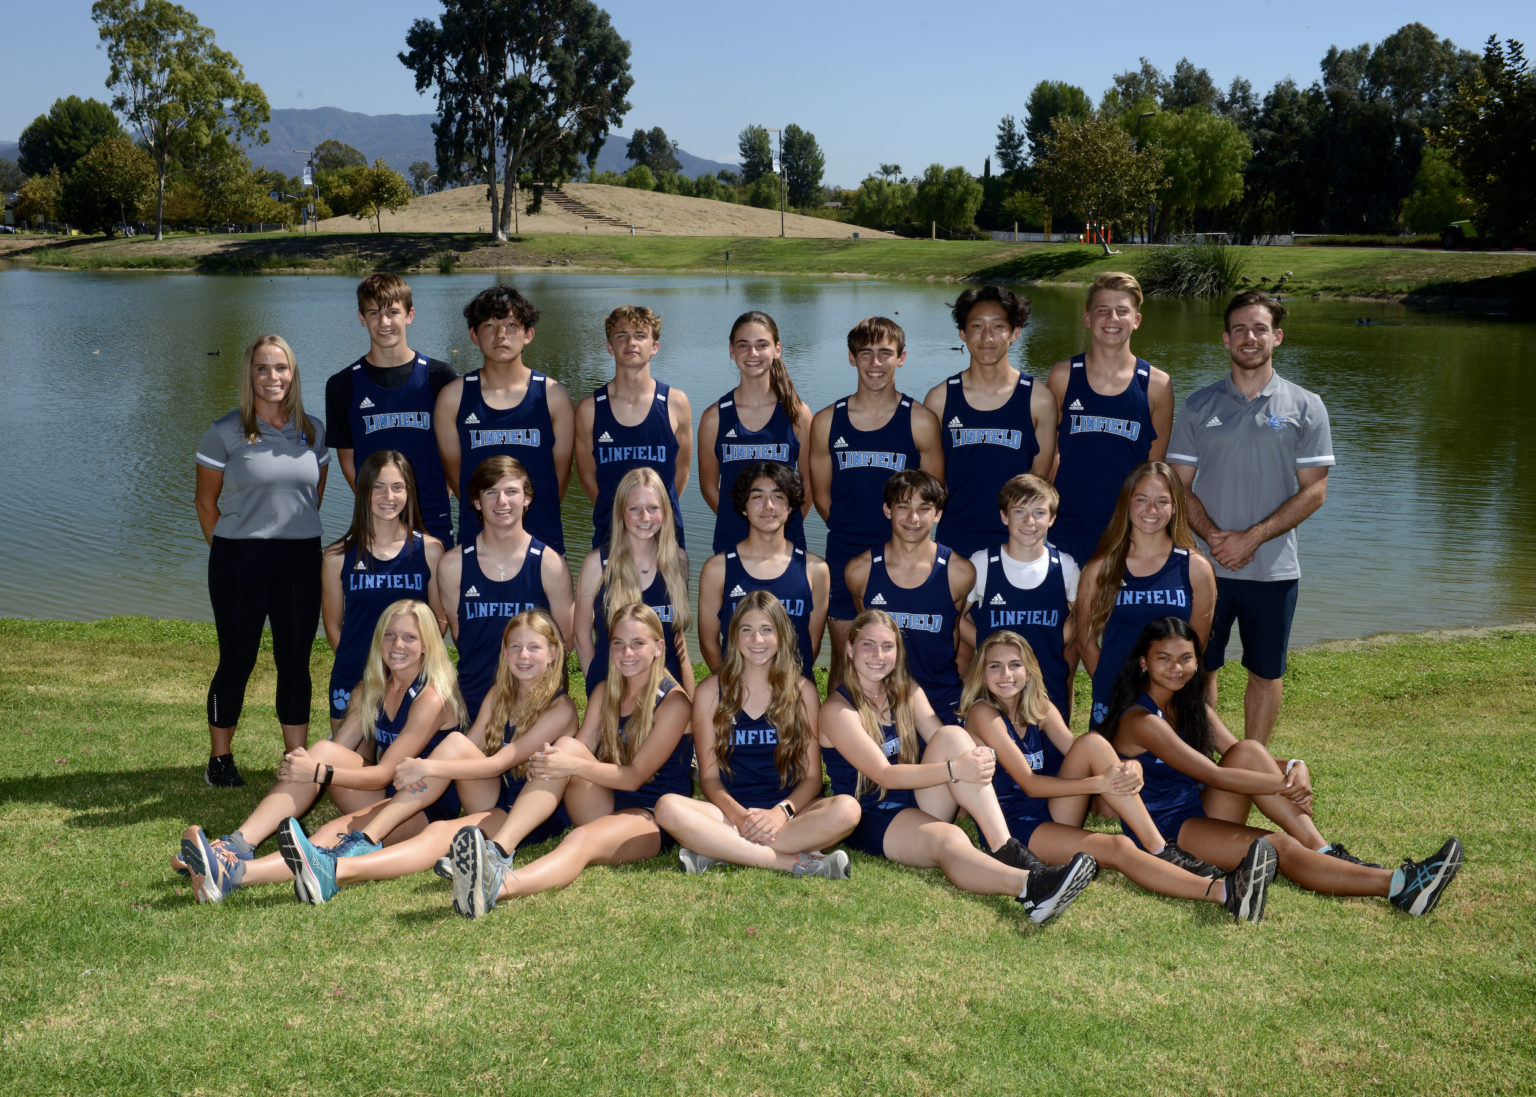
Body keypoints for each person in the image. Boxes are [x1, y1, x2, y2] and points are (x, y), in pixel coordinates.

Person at [1104, 617, 1463, 918]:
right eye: (1163, 658)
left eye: (1185, 658)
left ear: (1198, 663)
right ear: (1143, 662)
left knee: (1248, 749)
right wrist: (1281, 785)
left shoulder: (1193, 707)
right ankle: (1400, 886)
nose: (1176, 668)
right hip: (1168, 831)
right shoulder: (1141, 720)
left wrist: (1294, 765)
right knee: (1277, 847)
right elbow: (1211, 774)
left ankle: (1324, 852)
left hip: (1200, 810)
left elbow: (1238, 754)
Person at [960, 631, 1274, 923]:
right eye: (995, 667)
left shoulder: (1038, 707)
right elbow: (1028, 782)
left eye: (1014, 665)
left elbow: (1082, 753)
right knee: (1118, 848)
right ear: (982, 673)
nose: (1006, 675)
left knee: (1093, 742)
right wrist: (1098, 784)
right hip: (1015, 828)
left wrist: (1129, 766)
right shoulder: (983, 713)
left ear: (1028, 669)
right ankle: (1224, 893)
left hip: (1046, 811)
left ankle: (1160, 849)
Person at [272, 610, 578, 904]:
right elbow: (466, 752)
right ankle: (362, 841)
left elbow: (500, 762)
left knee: (439, 833)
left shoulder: (560, 709)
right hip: (493, 796)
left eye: (534, 648)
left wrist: (427, 765)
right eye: (516, 647)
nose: (523, 655)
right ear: (504, 651)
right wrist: (431, 772)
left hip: (528, 812)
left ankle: (341, 868)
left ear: (554, 653)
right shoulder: (499, 694)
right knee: (456, 746)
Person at [818, 610, 1098, 925]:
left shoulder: (906, 690)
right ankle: (1031, 888)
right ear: (850, 649)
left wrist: (969, 758)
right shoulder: (837, 711)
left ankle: (1005, 848)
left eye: (887, 646)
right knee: (949, 840)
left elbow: (944, 740)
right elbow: (884, 775)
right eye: (869, 645)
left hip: (916, 798)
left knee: (952, 735)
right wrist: (955, 770)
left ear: (898, 652)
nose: (878, 656)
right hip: (873, 814)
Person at [177, 600, 465, 903]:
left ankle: (233, 875)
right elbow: (335, 751)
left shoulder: (432, 698)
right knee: (322, 749)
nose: (397, 645)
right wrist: (301, 771)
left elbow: (382, 775)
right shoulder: (373, 688)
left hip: (422, 806)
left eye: (409, 637)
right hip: (390, 792)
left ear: (426, 647)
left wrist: (316, 772)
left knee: (333, 830)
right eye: (390, 635)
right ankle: (237, 844)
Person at [449, 603, 694, 918]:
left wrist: (572, 765)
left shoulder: (674, 704)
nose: (626, 652)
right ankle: (499, 850)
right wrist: (560, 761)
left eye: (638, 643)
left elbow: (634, 777)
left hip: (650, 817)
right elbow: (580, 748)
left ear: (659, 647)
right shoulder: (606, 691)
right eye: (618, 643)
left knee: (580, 840)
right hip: (603, 801)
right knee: (564, 747)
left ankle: (497, 886)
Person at [1167, 291, 1335, 744]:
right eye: (1239, 329)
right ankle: (1205, 760)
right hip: (1205, 568)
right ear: (1225, 339)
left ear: (1276, 337)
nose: (1249, 337)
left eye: (1260, 328)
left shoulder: (1306, 406)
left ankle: (1253, 762)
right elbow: (1177, 485)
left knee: (1265, 671)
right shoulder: (1199, 405)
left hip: (1274, 569)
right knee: (1201, 668)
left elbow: (1315, 490)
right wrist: (1216, 538)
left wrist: (1252, 539)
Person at [194, 334, 329, 786]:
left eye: (281, 368)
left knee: (295, 659)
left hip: (300, 558)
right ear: (249, 376)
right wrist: (233, 551)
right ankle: (220, 761)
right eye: (262, 369)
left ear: (293, 374)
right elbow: (205, 504)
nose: (273, 377)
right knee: (237, 659)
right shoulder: (223, 431)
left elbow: (313, 496)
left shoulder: (313, 430)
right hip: (240, 559)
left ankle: (296, 762)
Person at [654, 593, 860, 876]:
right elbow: (710, 779)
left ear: (781, 635)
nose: (757, 640)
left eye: (766, 630)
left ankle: (720, 851)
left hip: (791, 816)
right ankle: (799, 863)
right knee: (667, 807)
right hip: (729, 815)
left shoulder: (802, 691)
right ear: (735, 637)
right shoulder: (709, 692)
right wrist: (741, 817)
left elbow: (813, 778)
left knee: (848, 810)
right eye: (746, 630)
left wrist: (780, 813)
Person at [809, 316, 943, 692]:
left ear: (901, 358)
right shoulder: (826, 422)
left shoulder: (920, 421)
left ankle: (904, 746)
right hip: (845, 553)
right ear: (852, 358)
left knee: (903, 663)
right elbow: (822, 497)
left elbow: (933, 494)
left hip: (905, 557)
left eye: (885, 353)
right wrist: (853, 526)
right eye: (865, 353)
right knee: (845, 663)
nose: (875, 363)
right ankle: (838, 748)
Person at [1045, 272, 1173, 568]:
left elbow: (1154, 470)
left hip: (1126, 536)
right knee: (1069, 615)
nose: (1111, 318)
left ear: (1137, 320)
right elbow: (1050, 456)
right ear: (1087, 318)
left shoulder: (1157, 385)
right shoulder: (1063, 376)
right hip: (1066, 531)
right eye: (1102, 310)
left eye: (1122, 311)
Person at [1076, 461, 1215, 731]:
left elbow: (1196, 646)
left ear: (1175, 507)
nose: (1151, 510)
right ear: (1127, 503)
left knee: (1175, 771)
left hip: (1172, 698)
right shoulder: (1100, 569)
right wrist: (1110, 686)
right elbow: (1085, 639)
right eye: (1141, 500)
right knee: (1115, 772)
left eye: (1162, 501)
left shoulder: (1196, 569)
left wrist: (1171, 690)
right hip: (1115, 697)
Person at [435, 285, 574, 554]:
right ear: (474, 335)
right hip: (478, 537)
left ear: (528, 334)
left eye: (511, 324)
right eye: (489, 325)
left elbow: (560, 476)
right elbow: (457, 476)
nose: (500, 335)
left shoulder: (553, 397)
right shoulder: (453, 398)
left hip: (541, 535)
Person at [923, 285, 1056, 559]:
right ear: (962, 333)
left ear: (1015, 332)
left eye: (998, 326)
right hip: (956, 539)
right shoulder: (939, 400)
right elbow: (934, 484)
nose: (987, 337)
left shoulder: (1039, 400)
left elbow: (1040, 481)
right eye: (977, 326)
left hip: (1018, 542)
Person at [438, 456, 575, 722]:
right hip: (473, 701)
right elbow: (461, 635)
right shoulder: (453, 565)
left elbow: (563, 642)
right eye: (491, 492)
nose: (502, 502)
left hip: (534, 707)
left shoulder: (550, 564)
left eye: (511, 491)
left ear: (527, 498)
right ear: (477, 501)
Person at [326, 274, 458, 545]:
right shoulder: (342, 384)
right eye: (374, 313)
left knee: (439, 587)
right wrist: (377, 506)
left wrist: (439, 496)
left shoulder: (440, 377)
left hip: (433, 520)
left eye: (392, 312)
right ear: (362, 318)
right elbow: (348, 460)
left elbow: (454, 452)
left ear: (409, 315)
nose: (384, 322)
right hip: (376, 522)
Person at [321, 450, 446, 732]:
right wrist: (364, 668)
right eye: (378, 486)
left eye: (397, 487)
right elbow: (332, 624)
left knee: (403, 765)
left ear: (409, 492)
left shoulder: (430, 551)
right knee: (350, 766)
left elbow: (439, 620)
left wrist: (407, 665)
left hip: (411, 676)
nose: (388, 496)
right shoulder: (337, 556)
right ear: (363, 490)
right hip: (355, 674)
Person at [846, 469, 973, 722]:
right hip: (882, 697)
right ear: (887, 510)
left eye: (924, 508)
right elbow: (865, 638)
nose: (913, 517)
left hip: (941, 696)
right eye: (903, 506)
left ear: (937, 514)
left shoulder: (960, 572)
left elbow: (955, 636)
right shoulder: (860, 571)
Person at [960, 474, 1079, 718]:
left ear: (1052, 519)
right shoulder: (982, 563)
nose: (1029, 521)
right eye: (1019, 511)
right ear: (1004, 516)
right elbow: (955, 616)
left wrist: (1056, 638)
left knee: (1053, 752)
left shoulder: (1064, 566)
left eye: (1039, 513)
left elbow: (1083, 617)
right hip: (996, 690)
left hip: (1047, 689)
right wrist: (984, 641)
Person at [575, 304, 692, 549]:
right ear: (610, 347)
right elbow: (587, 475)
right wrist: (621, 516)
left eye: (640, 336)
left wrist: (651, 517)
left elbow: (681, 473)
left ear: (654, 347)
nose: (631, 343)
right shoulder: (589, 409)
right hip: (611, 536)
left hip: (665, 539)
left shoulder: (676, 403)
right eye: (622, 336)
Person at [697, 310, 813, 555]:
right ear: (732, 351)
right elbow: (709, 487)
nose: (753, 354)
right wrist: (746, 520)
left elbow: (809, 485)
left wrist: (776, 525)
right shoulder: (714, 418)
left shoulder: (798, 414)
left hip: (785, 545)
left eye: (762, 345)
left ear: (777, 349)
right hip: (732, 544)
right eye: (744, 346)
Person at [696, 462, 828, 676]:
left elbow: (810, 644)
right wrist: (734, 691)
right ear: (743, 507)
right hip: (737, 695)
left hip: (793, 694)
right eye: (757, 497)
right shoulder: (717, 569)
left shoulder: (816, 570)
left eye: (778, 496)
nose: (768, 505)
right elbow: (709, 643)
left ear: (790, 505)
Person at [575, 466, 692, 697]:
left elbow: (679, 642)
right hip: (613, 692)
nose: (645, 517)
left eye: (653, 508)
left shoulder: (677, 561)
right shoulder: (597, 565)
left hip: (665, 695)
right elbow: (581, 636)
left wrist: (689, 700)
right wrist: (598, 687)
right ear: (621, 512)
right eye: (635, 509)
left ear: (665, 512)